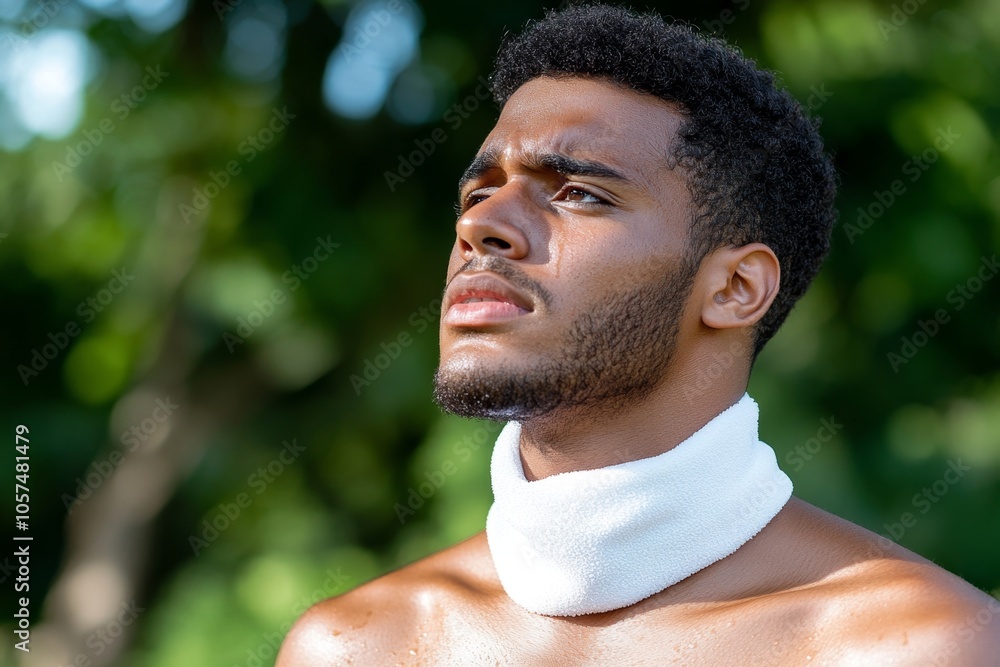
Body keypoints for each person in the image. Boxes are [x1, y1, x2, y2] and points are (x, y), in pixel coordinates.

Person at [278, 5, 1000, 664]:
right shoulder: (358, 645)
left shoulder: (922, 646)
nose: (478, 225)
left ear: (736, 288)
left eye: (580, 193)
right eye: (478, 191)